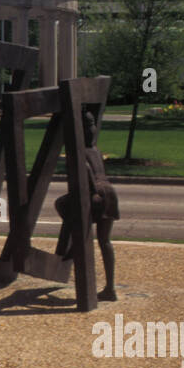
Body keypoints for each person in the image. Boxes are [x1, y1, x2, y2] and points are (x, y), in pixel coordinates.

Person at [54, 109, 120, 301]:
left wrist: (91, 194)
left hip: (96, 194)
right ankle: (110, 287)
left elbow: (87, 175)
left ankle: (75, 243)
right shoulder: (95, 149)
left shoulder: (79, 151)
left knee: (62, 204)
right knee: (105, 241)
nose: (91, 130)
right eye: (89, 126)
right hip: (110, 192)